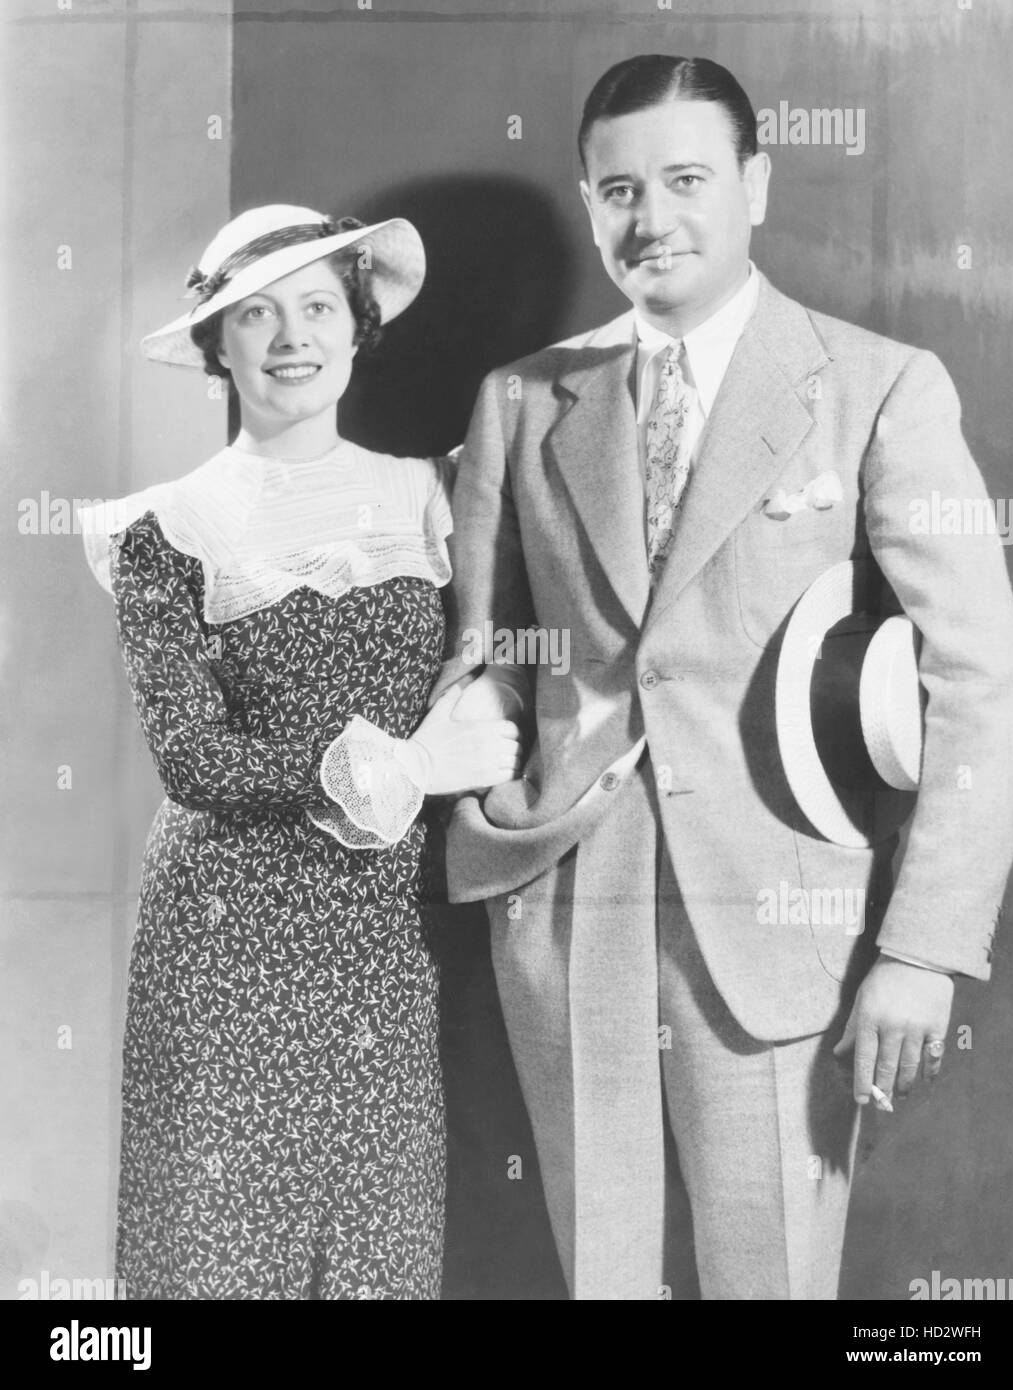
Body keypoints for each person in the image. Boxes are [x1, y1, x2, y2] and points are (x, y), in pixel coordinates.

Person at [434, 55, 1013, 1299]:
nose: (649, 218)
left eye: (686, 179)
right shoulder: (522, 401)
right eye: (618, 190)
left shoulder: (875, 388)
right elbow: (480, 664)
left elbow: (983, 679)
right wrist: (465, 777)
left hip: (779, 921)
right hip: (564, 909)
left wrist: (920, 952)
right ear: (590, 202)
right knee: (596, 1278)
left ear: (754, 185)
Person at [80, 204, 521, 1300]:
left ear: (359, 323)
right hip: (226, 936)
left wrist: (473, 728)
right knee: (219, 1257)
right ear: (213, 346)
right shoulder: (163, 528)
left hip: (378, 935)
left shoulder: (432, 495)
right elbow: (193, 759)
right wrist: (408, 769)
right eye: (256, 315)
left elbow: (498, 656)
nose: (291, 337)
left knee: (377, 1257)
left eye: (319, 306)